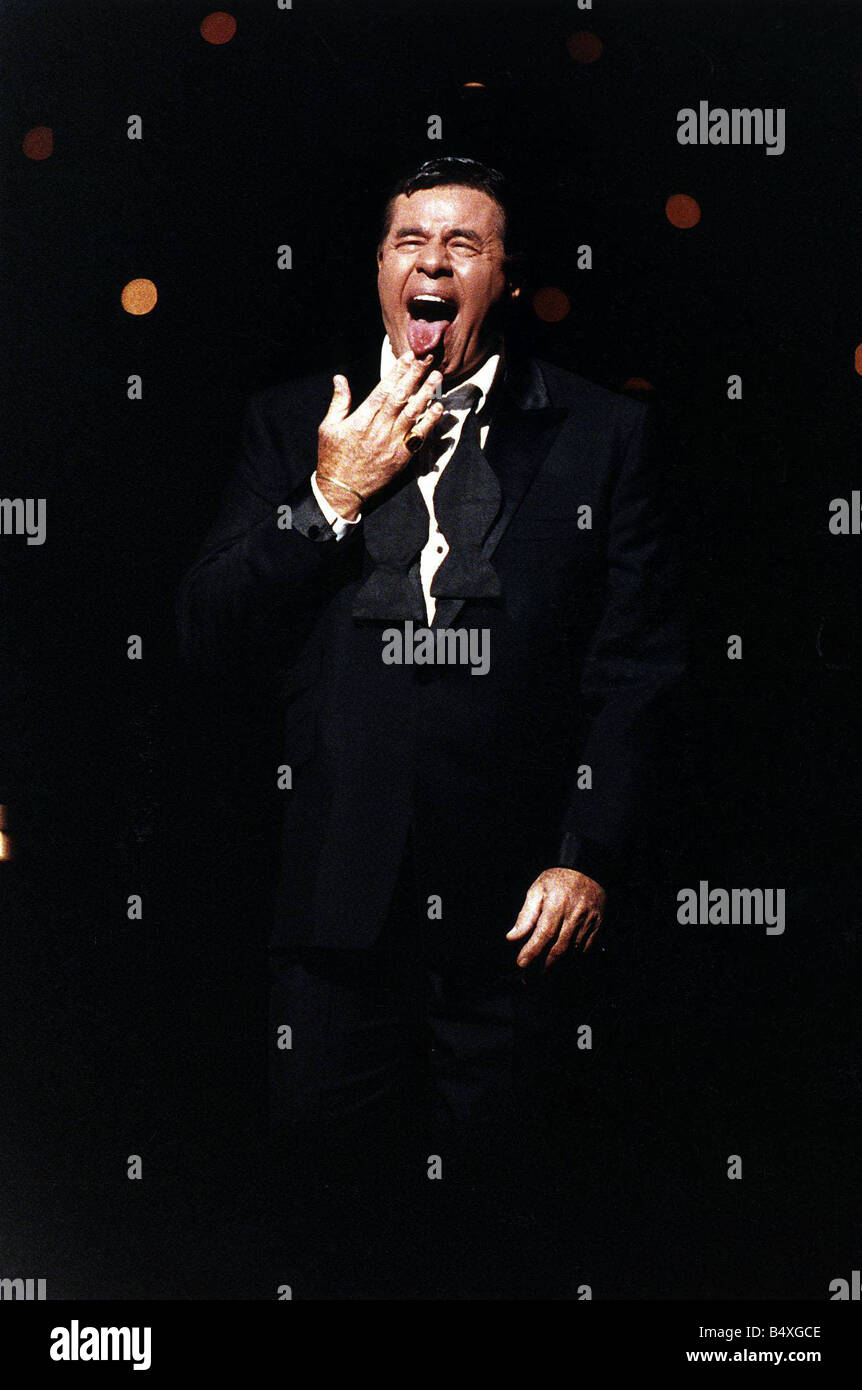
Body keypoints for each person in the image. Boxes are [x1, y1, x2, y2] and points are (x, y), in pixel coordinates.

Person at [176, 156, 686, 1296]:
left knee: (508, 1224)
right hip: (333, 900)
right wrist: (329, 499)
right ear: (378, 270)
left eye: (463, 245)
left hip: (514, 912)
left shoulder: (601, 436)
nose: (434, 262)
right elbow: (207, 629)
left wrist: (587, 854)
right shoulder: (287, 424)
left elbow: (636, 668)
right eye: (410, 240)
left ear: (503, 279)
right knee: (328, 1215)